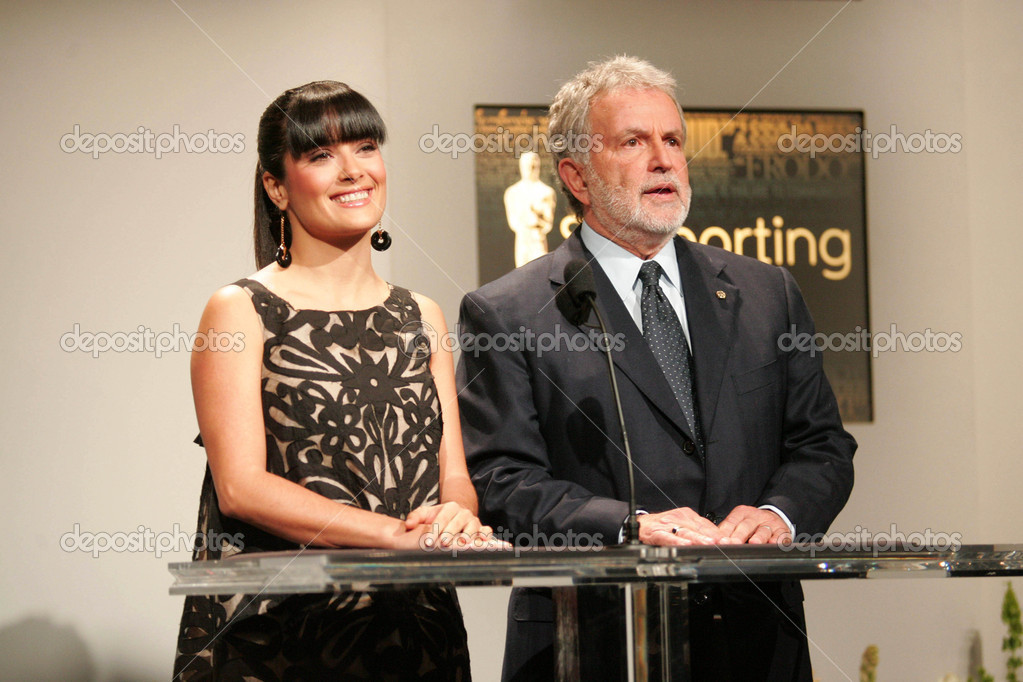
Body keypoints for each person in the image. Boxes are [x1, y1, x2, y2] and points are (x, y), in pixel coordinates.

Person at [456, 56, 856, 681]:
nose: (664, 160)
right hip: (591, 643)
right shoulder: (508, 312)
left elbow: (822, 445)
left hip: (754, 642)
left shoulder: (765, 292)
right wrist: (627, 526)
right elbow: (502, 482)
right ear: (577, 177)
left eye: (673, 140)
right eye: (633, 142)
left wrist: (779, 513)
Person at [173, 80, 489, 680]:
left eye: (366, 147)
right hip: (283, 636)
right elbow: (241, 487)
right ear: (276, 187)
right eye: (321, 155)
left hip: (416, 629)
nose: (353, 170)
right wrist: (394, 536)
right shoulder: (240, 310)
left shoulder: (422, 315)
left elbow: (453, 473)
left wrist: (456, 517)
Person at [504, 151, 556, 267]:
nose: (530, 169)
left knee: (540, 271)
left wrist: (536, 220)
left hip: (538, 240)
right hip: (523, 241)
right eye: (527, 165)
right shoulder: (512, 192)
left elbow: (548, 223)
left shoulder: (546, 191)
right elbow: (513, 222)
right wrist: (528, 219)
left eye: (533, 166)